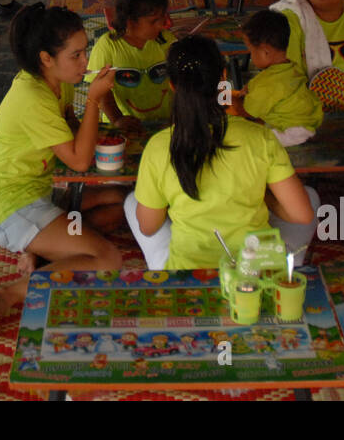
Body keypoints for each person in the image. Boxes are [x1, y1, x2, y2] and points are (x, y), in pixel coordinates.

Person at [0, 5, 126, 336]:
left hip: (37, 192)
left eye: (85, 50)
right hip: (9, 205)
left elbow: (70, 128)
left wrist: (106, 127)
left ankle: (41, 250)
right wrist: (96, 101)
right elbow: (78, 161)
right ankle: (7, 292)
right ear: (46, 58)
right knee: (107, 259)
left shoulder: (60, 79)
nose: (85, 62)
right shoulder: (32, 96)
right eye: (76, 55)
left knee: (119, 201)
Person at [125, 36, 317, 269]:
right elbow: (302, 215)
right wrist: (265, 199)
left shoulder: (158, 146)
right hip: (255, 268)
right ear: (224, 77)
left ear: (173, 85)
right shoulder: (260, 136)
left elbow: (148, 227)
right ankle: (287, 260)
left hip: (188, 273)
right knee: (310, 197)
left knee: (133, 201)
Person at [88, 0, 175, 129]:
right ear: (130, 21)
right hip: (124, 124)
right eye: (153, 21)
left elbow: (180, 80)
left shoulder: (167, 41)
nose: (161, 25)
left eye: (162, 18)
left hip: (164, 120)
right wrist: (117, 119)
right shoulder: (107, 47)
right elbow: (101, 92)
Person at [228, 10, 323, 146]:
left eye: (251, 51)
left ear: (265, 52)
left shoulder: (266, 83)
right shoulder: (293, 68)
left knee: (246, 138)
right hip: (309, 125)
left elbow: (248, 111)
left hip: (289, 133)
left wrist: (233, 101)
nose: (251, 56)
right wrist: (249, 89)